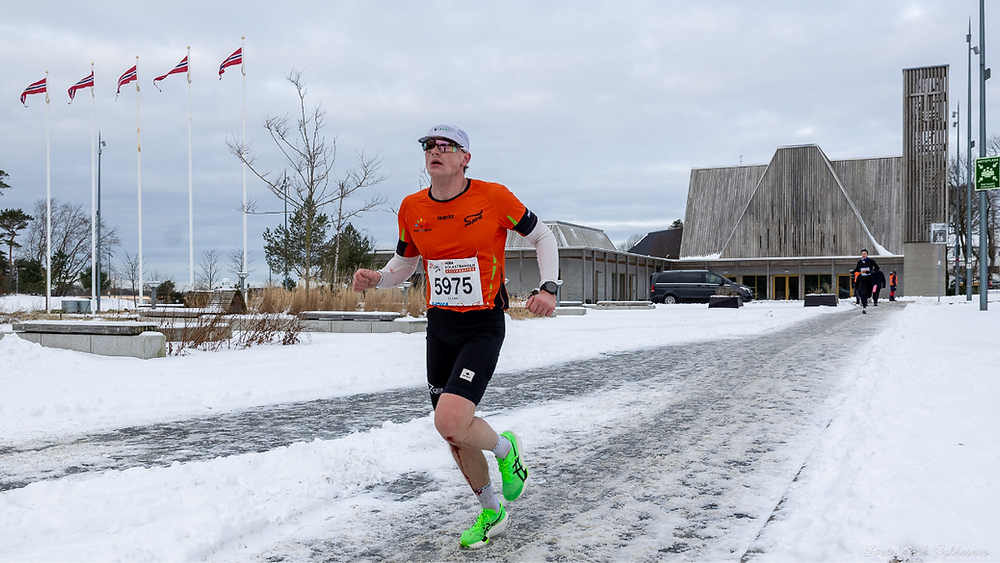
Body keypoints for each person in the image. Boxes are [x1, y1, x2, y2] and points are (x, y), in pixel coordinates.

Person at [353, 124, 559, 549]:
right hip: (441, 327)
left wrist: (549, 288)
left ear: (465, 158)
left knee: (449, 419)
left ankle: (506, 450)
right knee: (453, 432)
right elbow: (405, 264)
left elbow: (542, 235)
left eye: (446, 145)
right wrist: (378, 279)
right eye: (429, 145)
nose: (436, 150)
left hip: (482, 325)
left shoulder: (493, 197)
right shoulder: (412, 207)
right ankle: (491, 511)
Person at [850, 249, 880, 314]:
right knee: (863, 292)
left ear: (867, 254)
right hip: (862, 279)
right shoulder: (859, 262)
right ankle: (864, 306)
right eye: (862, 254)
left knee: (868, 293)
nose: (863, 255)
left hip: (869, 279)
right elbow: (857, 268)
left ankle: (868, 298)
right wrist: (853, 272)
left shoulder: (871, 261)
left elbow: (877, 268)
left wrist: (871, 271)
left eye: (864, 254)